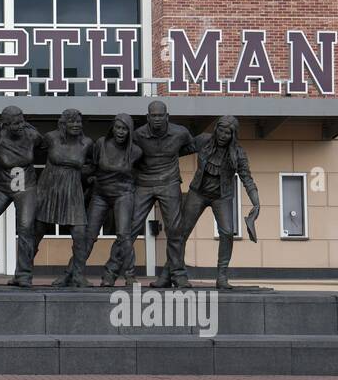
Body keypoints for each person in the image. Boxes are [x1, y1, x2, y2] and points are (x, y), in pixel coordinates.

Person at [108, 100, 197, 289]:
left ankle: (178, 275)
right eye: (153, 116)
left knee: (175, 230)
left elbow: (190, 147)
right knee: (129, 229)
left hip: (170, 182)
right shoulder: (138, 135)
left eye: (160, 115)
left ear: (167, 116)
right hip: (144, 183)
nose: (157, 119)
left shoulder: (180, 133)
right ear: (148, 117)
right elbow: (128, 156)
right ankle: (111, 272)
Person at [172, 114, 260, 290]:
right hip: (197, 193)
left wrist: (256, 202)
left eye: (228, 133)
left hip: (222, 197)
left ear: (233, 135)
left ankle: (222, 276)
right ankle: (173, 272)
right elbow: (177, 151)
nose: (223, 135)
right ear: (216, 129)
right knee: (181, 232)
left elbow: (247, 179)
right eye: (221, 130)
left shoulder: (238, 153)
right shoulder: (203, 140)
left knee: (227, 232)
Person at [0, 106, 46, 288]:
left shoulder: (32, 136)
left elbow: (47, 149)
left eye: (22, 121)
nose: (20, 126)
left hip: (26, 187)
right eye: (15, 123)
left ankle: (23, 274)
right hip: (0, 188)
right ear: (4, 124)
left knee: (26, 227)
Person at [34, 109, 94, 287]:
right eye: (72, 122)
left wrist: (89, 176)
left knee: (80, 234)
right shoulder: (51, 138)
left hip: (73, 191)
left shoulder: (87, 143)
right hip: (49, 189)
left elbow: (94, 164)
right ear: (63, 124)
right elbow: (30, 150)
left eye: (78, 122)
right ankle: (23, 272)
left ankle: (77, 274)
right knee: (36, 232)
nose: (76, 125)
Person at [91, 114, 144, 288]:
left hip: (123, 193)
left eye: (125, 129)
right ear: (112, 128)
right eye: (118, 128)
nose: (121, 132)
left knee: (123, 234)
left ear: (130, 131)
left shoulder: (136, 151)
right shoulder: (101, 144)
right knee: (89, 235)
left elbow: (138, 173)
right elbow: (92, 166)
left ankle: (130, 275)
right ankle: (73, 273)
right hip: (100, 194)